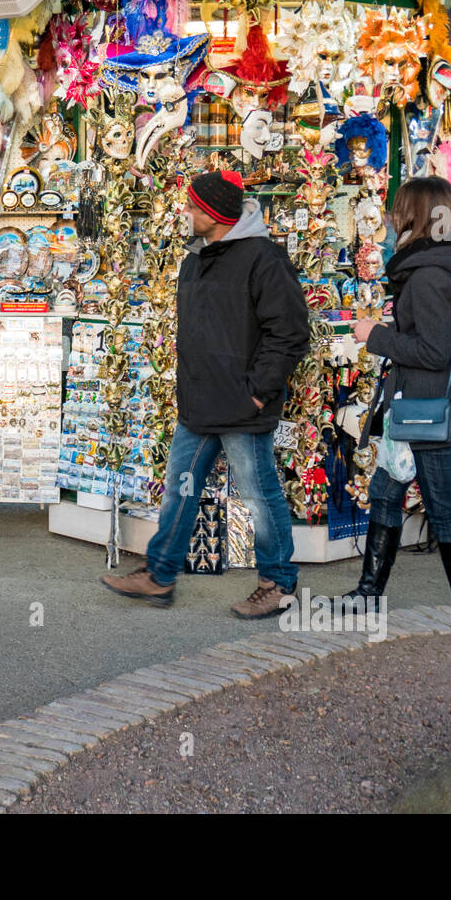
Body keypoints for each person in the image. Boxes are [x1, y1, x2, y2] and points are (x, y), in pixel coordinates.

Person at [101, 170, 310, 618]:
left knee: (259, 495)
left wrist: (257, 393)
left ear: (213, 214)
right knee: (179, 489)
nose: (187, 213)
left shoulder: (264, 259)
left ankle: (279, 584)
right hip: (199, 402)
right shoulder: (196, 257)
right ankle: (159, 576)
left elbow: (289, 333)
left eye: (194, 207)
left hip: (241, 404)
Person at [347, 176, 451, 605]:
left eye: (399, 209)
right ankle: (368, 593)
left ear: (417, 216)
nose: (392, 217)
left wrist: (376, 335)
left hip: (426, 408)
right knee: (385, 494)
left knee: (443, 509)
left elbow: (433, 350)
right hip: (416, 404)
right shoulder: (439, 267)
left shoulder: (427, 276)